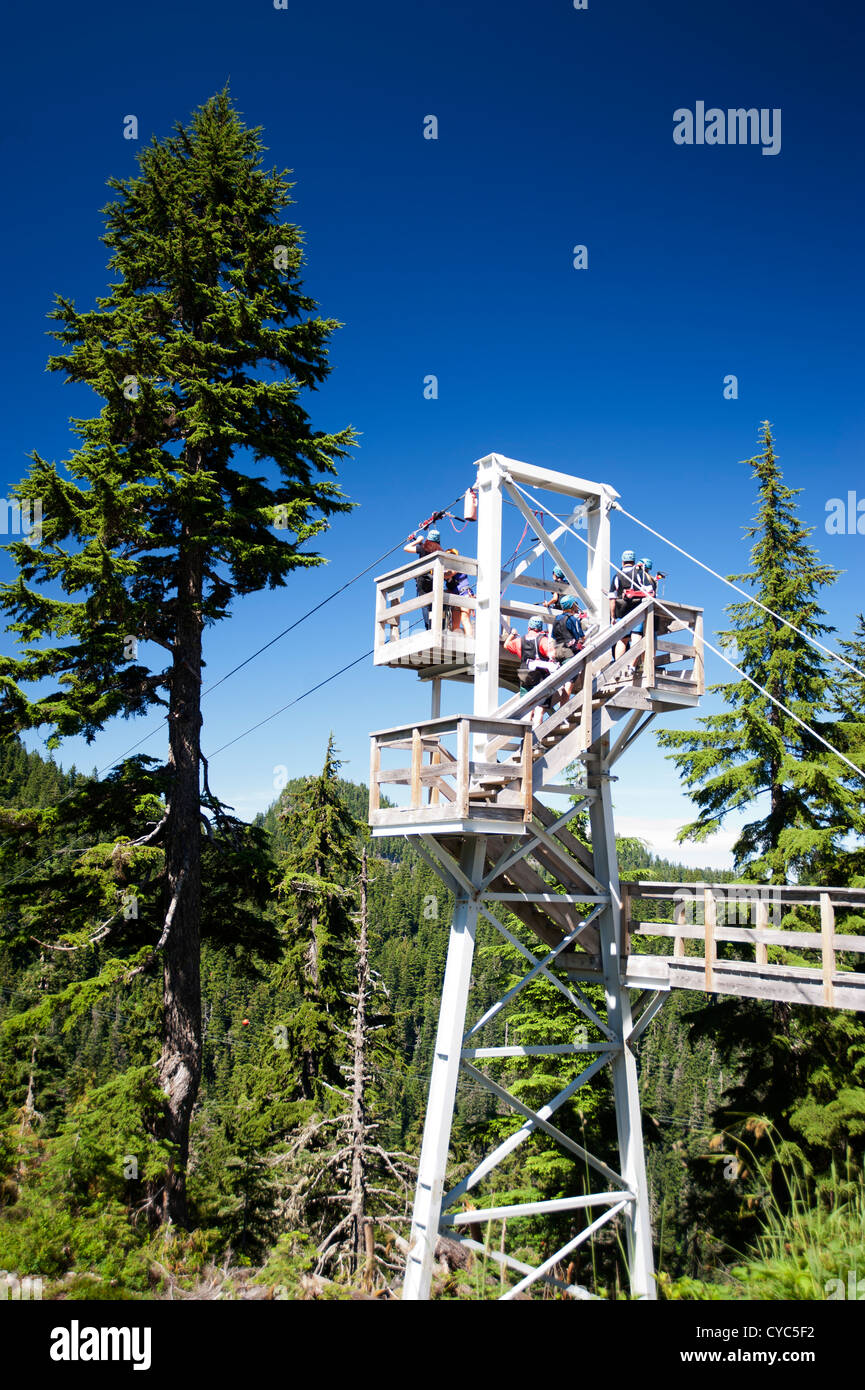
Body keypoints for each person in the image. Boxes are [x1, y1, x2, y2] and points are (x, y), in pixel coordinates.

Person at [502, 616, 559, 729]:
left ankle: (525, 739)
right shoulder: (543, 640)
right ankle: (535, 739)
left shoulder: (519, 641)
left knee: (527, 708)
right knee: (539, 708)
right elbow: (552, 655)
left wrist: (512, 634)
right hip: (540, 676)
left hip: (524, 675)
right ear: (540, 628)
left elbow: (506, 645)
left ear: (529, 627)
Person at [404, 528, 443, 629]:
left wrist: (418, 540)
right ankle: (436, 626)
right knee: (434, 603)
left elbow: (406, 548)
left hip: (423, 579)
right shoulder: (439, 551)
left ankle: (428, 627)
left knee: (425, 604)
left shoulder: (423, 548)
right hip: (434, 579)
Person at [443, 548, 475, 638]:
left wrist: (437, 572)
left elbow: (449, 574)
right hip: (456, 596)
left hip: (464, 593)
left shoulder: (457, 566)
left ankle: (469, 640)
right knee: (455, 622)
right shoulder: (446, 570)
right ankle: (456, 641)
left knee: (465, 618)